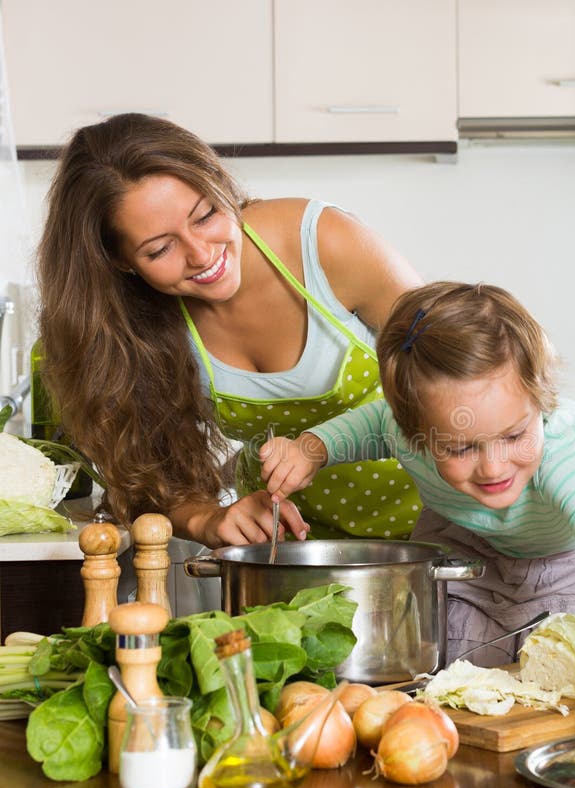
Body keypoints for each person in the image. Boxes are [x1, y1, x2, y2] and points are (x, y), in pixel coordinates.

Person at [259, 282, 575, 753]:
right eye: (460, 447)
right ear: (416, 432)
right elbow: (368, 424)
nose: (493, 467)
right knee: (467, 684)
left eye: (514, 435)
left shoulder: (569, 454)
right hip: (467, 547)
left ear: (542, 403)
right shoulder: (405, 428)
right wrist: (312, 449)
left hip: (570, 558)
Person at [35, 112, 426, 547]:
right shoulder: (128, 329)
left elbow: (463, 375)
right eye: (161, 248)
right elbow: (147, 478)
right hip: (298, 551)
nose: (202, 254)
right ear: (120, 262)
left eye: (205, 216)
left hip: (447, 523)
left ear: (220, 184)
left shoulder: (322, 243)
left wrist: (321, 444)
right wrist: (209, 520)